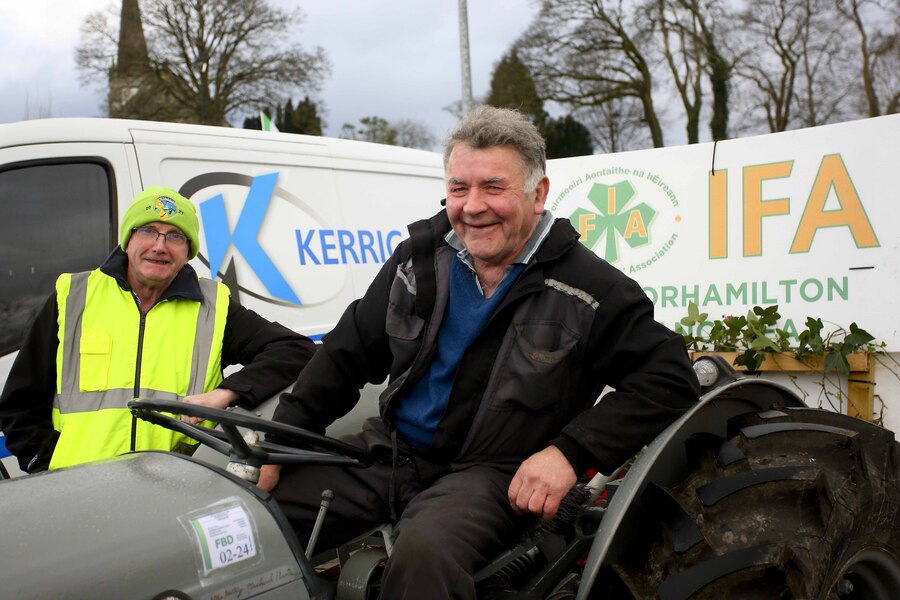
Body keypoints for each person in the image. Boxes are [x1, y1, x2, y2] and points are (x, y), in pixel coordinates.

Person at [259, 106, 701, 598]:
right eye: (458, 188)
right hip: (392, 454)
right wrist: (283, 440)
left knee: (425, 558)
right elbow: (347, 354)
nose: (472, 206)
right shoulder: (418, 261)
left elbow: (669, 381)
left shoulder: (590, 288)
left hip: (495, 476)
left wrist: (568, 453)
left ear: (539, 194)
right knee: (253, 516)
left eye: (493, 187)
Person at [0, 186, 315, 472]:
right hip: (80, 489)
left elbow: (295, 349)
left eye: (175, 236)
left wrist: (224, 394)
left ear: (188, 251)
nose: (159, 246)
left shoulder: (212, 306)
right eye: (148, 230)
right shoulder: (74, 295)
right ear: (129, 240)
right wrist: (45, 465)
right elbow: (20, 403)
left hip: (173, 491)